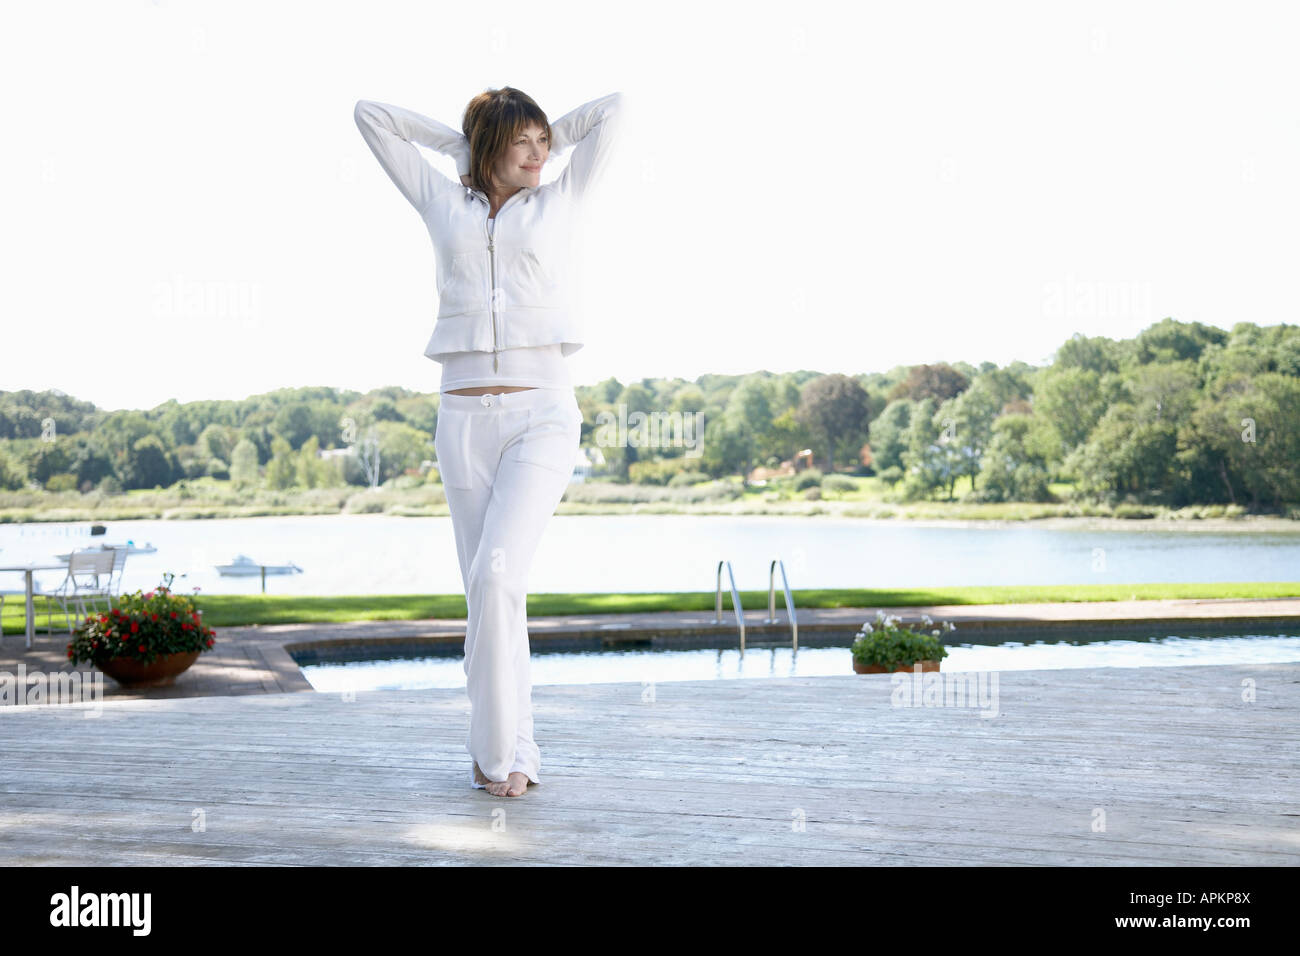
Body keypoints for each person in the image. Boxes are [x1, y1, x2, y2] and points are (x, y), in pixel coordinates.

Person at [354, 86, 624, 796]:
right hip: (462, 419)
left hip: (541, 415)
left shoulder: (560, 198)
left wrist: (546, 134)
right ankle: (506, 747)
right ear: (488, 147)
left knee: (499, 577)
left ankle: (504, 757)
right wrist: (462, 148)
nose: (538, 155)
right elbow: (370, 116)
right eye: (522, 142)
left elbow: (614, 108)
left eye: (543, 140)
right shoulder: (442, 202)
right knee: (486, 594)